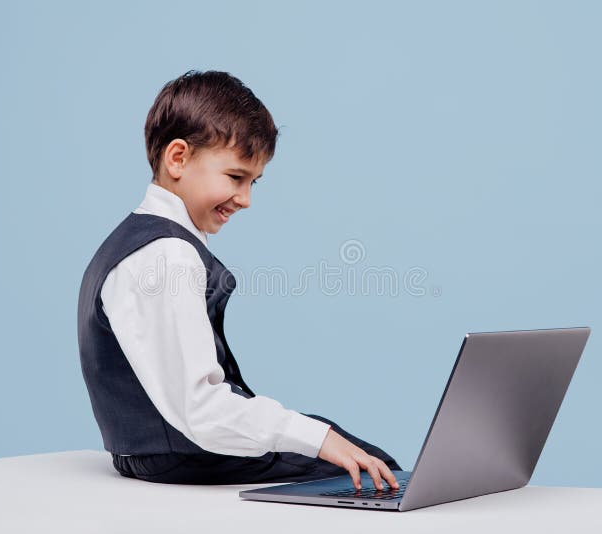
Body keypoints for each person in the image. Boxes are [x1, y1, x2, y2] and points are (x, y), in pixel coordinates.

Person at [77, 69, 401, 492]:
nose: (246, 199)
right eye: (235, 177)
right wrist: (316, 438)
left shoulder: (141, 240)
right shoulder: (165, 255)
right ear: (178, 158)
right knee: (372, 470)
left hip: (157, 453)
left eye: (253, 182)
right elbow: (201, 411)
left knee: (343, 445)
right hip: (178, 456)